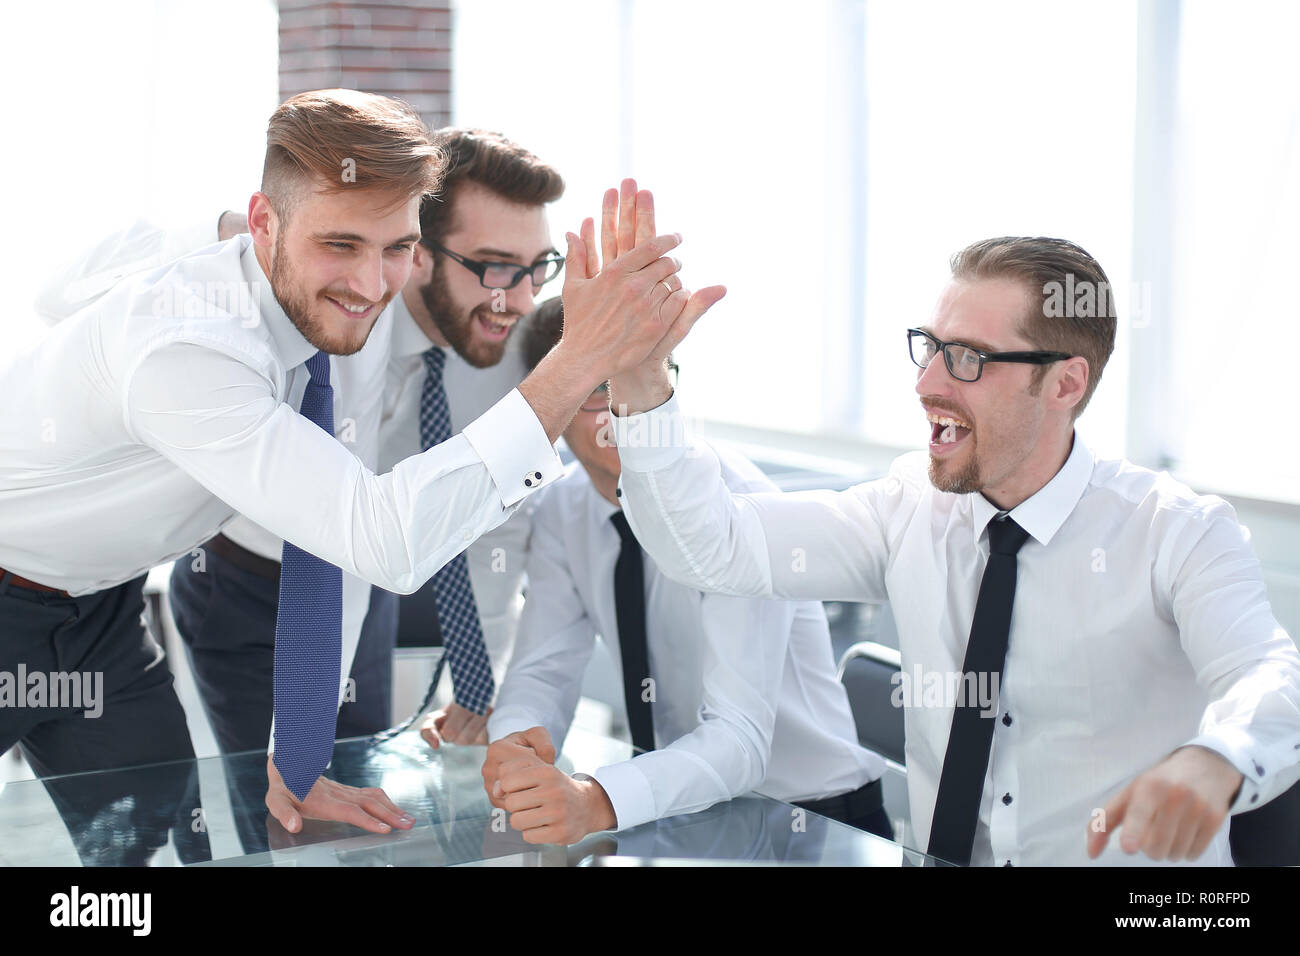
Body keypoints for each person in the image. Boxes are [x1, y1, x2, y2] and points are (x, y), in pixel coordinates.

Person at [0, 89, 719, 835]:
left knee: (152, 831)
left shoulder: (352, 322)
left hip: (101, 609)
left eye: (395, 248)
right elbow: (378, 534)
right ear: (261, 223)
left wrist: (301, 750)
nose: (373, 285)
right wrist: (583, 357)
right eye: (338, 244)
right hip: (45, 585)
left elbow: (359, 541)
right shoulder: (194, 348)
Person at [606, 233, 1300, 866]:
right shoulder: (909, 506)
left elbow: (1271, 674)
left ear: (1065, 383)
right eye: (929, 346)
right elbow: (712, 549)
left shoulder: (1176, 531)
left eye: (966, 358)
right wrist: (641, 380)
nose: (926, 383)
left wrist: (1217, 758)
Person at [479, 209, 890, 847]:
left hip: (814, 820)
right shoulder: (562, 509)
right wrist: (516, 742)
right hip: (686, 813)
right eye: (595, 391)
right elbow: (543, 666)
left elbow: (739, 743)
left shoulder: (736, 504)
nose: (622, 412)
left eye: (641, 378)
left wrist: (596, 798)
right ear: (551, 404)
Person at [156, 129, 567, 755]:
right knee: (265, 807)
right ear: (418, 250)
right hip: (244, 577)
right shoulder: (322, 304)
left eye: (537, 268)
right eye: (495, 267)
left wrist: (479, 681)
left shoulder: (506, 349)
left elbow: (497, 529)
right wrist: (231, 231)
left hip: (362, 581)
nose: (516, 299)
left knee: (356, 785)